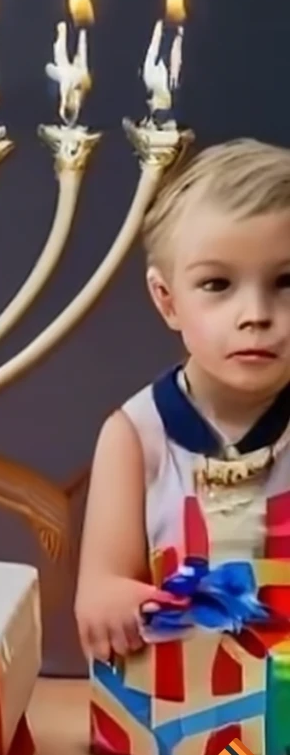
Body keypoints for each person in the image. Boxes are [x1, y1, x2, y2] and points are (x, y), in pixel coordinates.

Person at [75, 139, 290, 662]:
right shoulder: (135, 436)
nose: (256, 315)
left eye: (286, 282)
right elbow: (102, 585)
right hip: (180, 690)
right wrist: (111, 601)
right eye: (217, 284)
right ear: (167, 300)